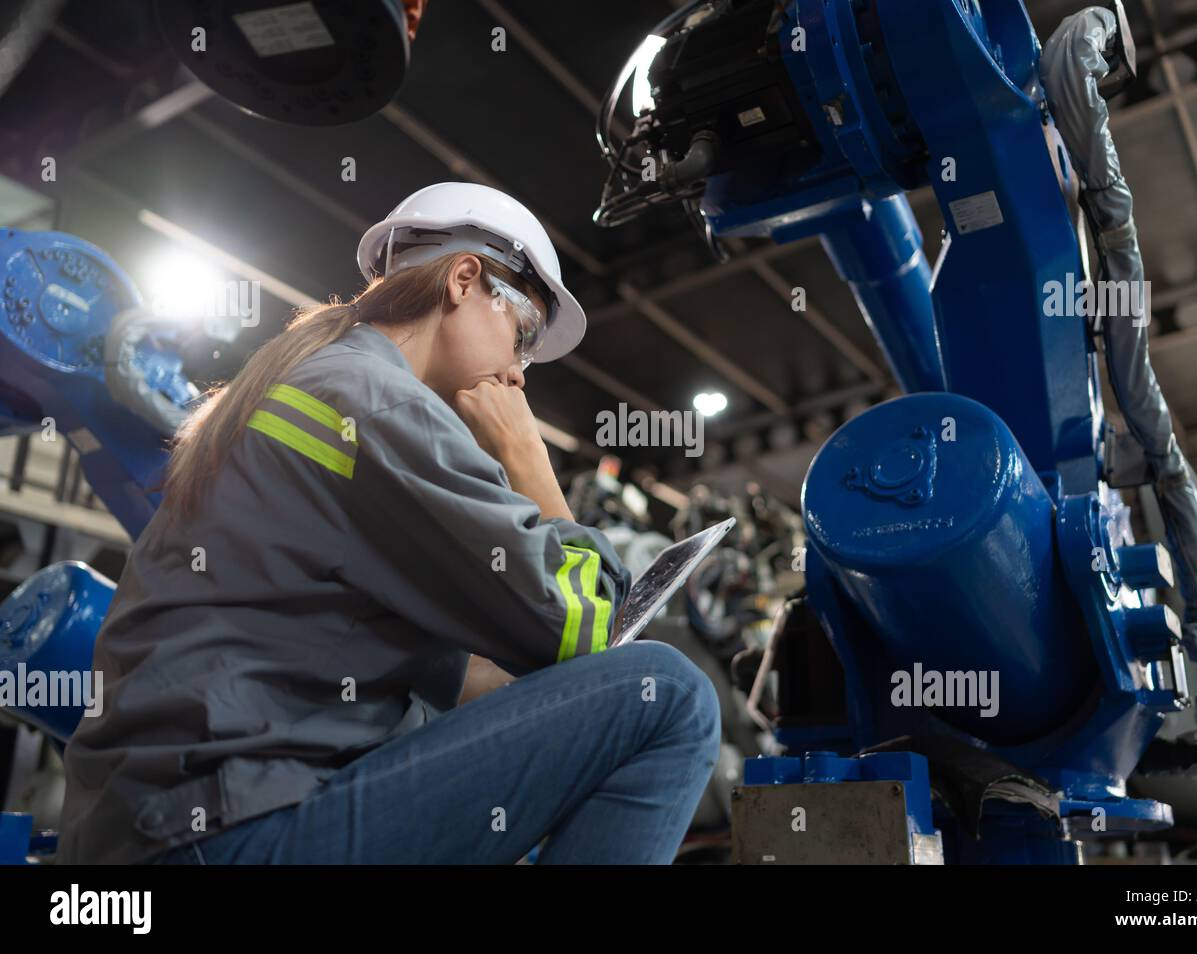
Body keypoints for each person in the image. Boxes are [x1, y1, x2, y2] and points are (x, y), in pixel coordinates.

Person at [56, 182, 721, 865]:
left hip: (158, 833)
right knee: (667, 695)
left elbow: (461, 682)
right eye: (521, 336)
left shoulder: (315, 378)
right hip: (227, 835)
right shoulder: (376, 404)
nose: (519, 376)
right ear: (466, 279)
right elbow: (582, 627)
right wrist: (527, 457)